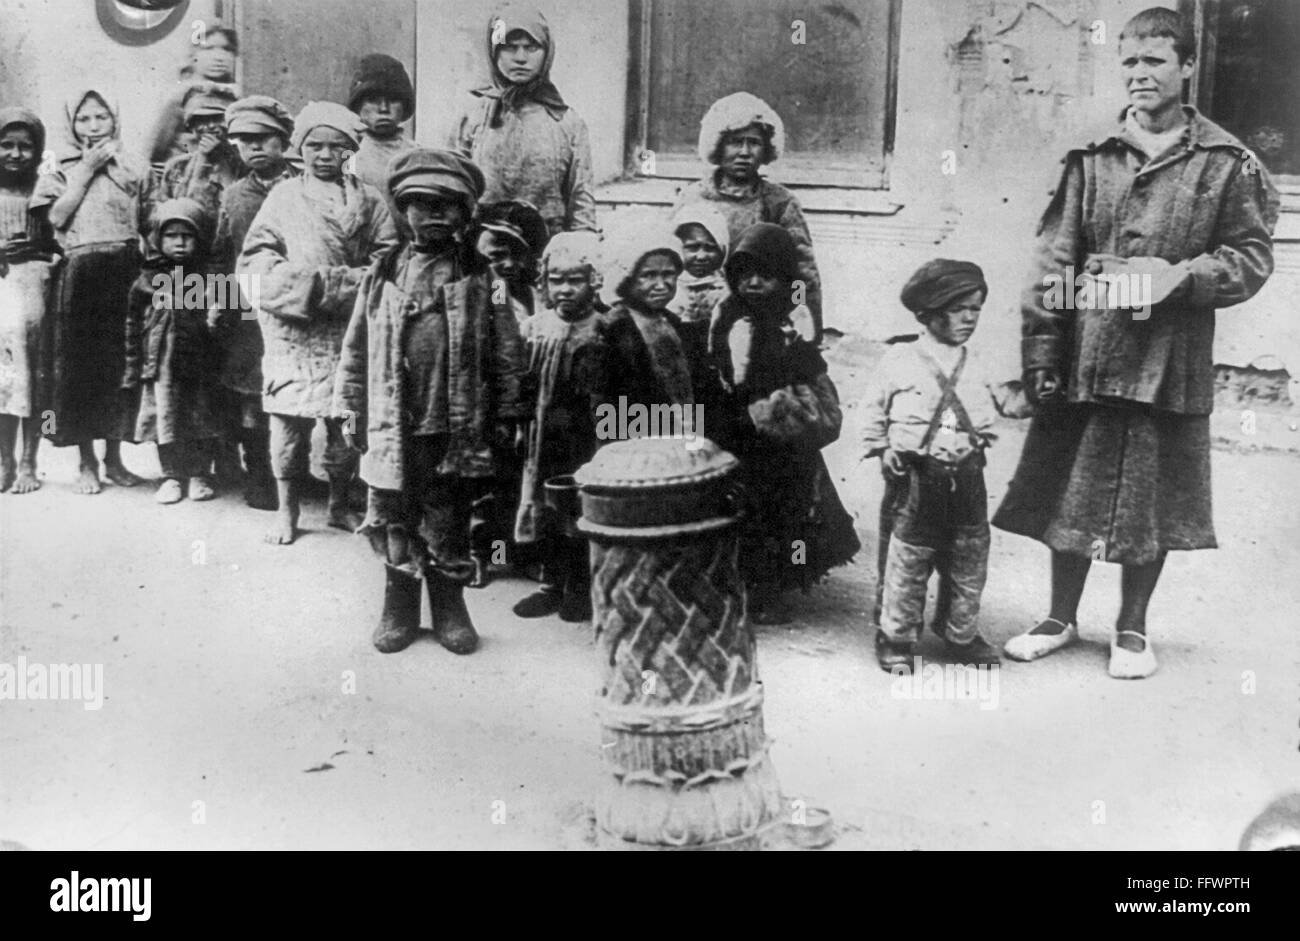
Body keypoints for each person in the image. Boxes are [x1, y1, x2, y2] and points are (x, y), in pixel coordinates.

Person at [992, 8, 1279, 679]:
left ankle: (1132, 628)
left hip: (1169, 356)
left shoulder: (1225, 160)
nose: (1140, 75)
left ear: (1186, 67)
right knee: (1072, 483)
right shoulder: (1091, 155)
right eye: (1129, 63)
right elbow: (1053, 261)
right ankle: (1060, 616)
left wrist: (1180, 277)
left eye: (1154, 62)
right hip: (1088, 351)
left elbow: (1252, 256)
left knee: (1153, 492)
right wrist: (1041, 352)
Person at [333, 149, 529, 655]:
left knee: (448, 515)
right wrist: (349, 408)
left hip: (454, 425)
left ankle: (450, 608)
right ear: (402, 210)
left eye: (446, 204)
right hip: (394, 422)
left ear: (465, 212)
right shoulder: (382, 273)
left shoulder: (485, 278)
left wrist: (508, 410)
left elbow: (507, 347)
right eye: (419, 204)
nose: (433, 214)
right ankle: (398, 608)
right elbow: (355, 347)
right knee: (396, 511)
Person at [237, 101, 399, 545]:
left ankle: (339, 503)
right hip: (296, 329)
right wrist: (303, 286)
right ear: (300, 148)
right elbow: (255, 258)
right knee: (289, 428)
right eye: (315, 146)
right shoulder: (285, 197)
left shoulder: (368, 199)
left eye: (337, 147)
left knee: (344, 424)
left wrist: (350, 284)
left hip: (348, 329)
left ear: (352, 151)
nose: (325, 155)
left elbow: (387, 257)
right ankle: (287, 511)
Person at [861, 260, 1026, 670]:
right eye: (959, 308)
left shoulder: (982, 362)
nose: (970, 318)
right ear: (929, 312)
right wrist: (882, 449)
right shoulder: (899, 359)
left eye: (976, 308)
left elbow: (1012, 404)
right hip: (915, 477)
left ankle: (960, 635)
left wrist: (1041, 387)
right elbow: (872, 412)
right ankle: (895, 636)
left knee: (969, 557)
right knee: (908, 559)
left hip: (968, 476)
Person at [711, 222, 857, 624]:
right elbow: (719, 366)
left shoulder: (793, 320)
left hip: (784, 440)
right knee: (744, 509)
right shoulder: (727, 314)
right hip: (740, 430)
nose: (753, 284)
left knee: (786, 512)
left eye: (766, 276)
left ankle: (777, 585)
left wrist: (785, 382)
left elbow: (809, 372)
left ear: (784, 278)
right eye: (744, 275)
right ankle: (744, 580)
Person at [32, 89, 151, 494]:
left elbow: (149, 217)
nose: (94, 126)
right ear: (72, 125)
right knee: (82, 369)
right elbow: (55, 219)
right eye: (84, 119)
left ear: (114, 120)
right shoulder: (59, 168)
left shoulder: (134, 165)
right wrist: (85, 169)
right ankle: (86, 463)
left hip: (125, 272)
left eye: (102, 117)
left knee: (121, 365)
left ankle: (114, 459)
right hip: (80, 275)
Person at [674, 92, 823, 343]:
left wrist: (802, 315)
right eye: (735, 142)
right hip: (695, 316)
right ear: (718, 145)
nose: (744, 152)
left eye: (753, 143)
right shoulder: (692, 198)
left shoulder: (780, 203)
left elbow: (802, 273)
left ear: (766, 150)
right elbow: (671, 261)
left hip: (759, 320)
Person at [210, 96, 298, 511]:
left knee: (296, 387)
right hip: (247, 310)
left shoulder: (302, 186)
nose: (255, 148)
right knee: (250, 392)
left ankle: (298, 476)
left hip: (295, 301)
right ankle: (259, 473)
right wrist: (215, 302)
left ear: (283, 141)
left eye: (264, 139)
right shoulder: (233, 197)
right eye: (245, 142)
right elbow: (221, 255)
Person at [512, 231, 605, 622]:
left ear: (594, 281)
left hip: (585, 437)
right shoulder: (535, 327)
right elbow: (519, 379)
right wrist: (519, 425)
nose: (564, 289)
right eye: (556, 280)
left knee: (580, 508)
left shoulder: (604, 328)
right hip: (542, 434)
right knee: (546, 508)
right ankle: (550, 583)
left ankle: (581, 586)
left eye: (575, 280)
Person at [450, 4, 597, 237]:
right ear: (494, 51)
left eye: (531, 47)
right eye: (509, 47)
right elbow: (455, 192)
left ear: (546, 52)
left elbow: (581, 201)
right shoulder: (473, 114)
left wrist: (579, 249)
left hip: (547, 249)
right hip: (485, 251)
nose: (520, 58)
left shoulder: (567, 122)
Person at [132, 198, 221, 505]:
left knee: (200, 415)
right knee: (166, 417)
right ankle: (171, 475)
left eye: (188, 236)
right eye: (171, 236)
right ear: (158, 238)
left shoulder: (209, 277)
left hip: (200, 362)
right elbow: (133, 322)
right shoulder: (148, 279)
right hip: (163, 364)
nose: (180, 243)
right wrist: (134, 365)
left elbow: (228, 317)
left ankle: (199, 473)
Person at [0, 108, 60, 494]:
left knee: (36, 377)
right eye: (6, 145)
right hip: (2, 292)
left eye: (26, 146)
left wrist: (41, 246)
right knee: (5, 380)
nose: (16, 154)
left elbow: (63, 239)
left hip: (37, 287)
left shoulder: (47, 190)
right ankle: (4, 459)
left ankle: (29, 462)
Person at [147, 25, 241, 168]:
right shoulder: (181, 96)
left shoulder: (236, 98)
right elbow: (156, 150)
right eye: (209, 49)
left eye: (227, 49)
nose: (219, 57)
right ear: (193, 56)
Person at [150, 86, 243, 221]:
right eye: (201, 120)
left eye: (217, 118)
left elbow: (237, 209)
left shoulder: (244, 162)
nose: (210, 126)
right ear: (191, 127)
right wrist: (203, 159)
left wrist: (221, 161)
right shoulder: (177, 167)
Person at [347, 53, 419, 192]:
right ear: (358, 106)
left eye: (392, 100)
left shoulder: (416, 155)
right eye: (373, 100)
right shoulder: (349, 154)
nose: (384, 109)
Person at [667, 202, 730, 325]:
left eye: (710, 248)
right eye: (692, 247)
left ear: (722, 250)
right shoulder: (665, 289)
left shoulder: (728, 292)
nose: (701, 256)